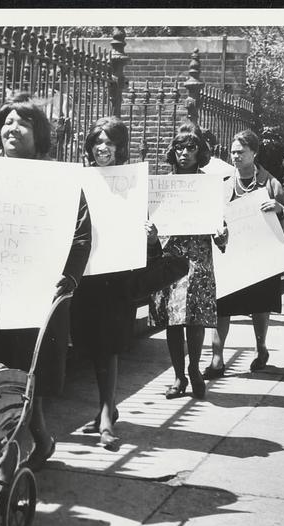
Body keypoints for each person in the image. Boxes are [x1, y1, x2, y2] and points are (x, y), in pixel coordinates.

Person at [70, 117, 188, 451]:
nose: (102, 148)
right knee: (88, 342)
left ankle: (106, 414)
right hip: (86, 273)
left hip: (117, 275)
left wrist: (151, 239)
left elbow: (151, 238)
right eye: (97, 142)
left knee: (108, 344)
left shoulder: (134, 184)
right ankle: (109, 408)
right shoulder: (80, 180)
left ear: (120, 147)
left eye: (109, 143)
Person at [0, 93, 92, 471]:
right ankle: (41, 437)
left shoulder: (57, 179)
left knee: (27, 367)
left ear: (40, 133)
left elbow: (82, 235)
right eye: (7, 122)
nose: (13, 128)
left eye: (24, 122)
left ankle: (8, 458)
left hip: (38, 291)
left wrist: (69, 279)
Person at [203, 129, 284, 379]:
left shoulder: (271, 183)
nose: (235, 156)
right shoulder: (224, 182)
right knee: (222, 306)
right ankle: (217, 359)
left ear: (254, 153)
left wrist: (279, 209)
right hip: (230, 254)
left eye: (240, 152)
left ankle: (261, 348)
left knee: (260, 305)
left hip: (261, 255)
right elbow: (213, 216)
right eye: (232, 152)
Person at [150, 124, 228, 399]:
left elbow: (221, 227)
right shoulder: (162, 184)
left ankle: (194, 368)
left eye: (190, 148)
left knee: (194, 318)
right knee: (173, 319)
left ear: (200, 152)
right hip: (170, 256)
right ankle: (178, 376)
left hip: (198, 257)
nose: (184, 153)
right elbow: (152, 221)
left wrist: (221, 232)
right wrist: (151, 233)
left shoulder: (208, 185)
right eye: (179, 148)